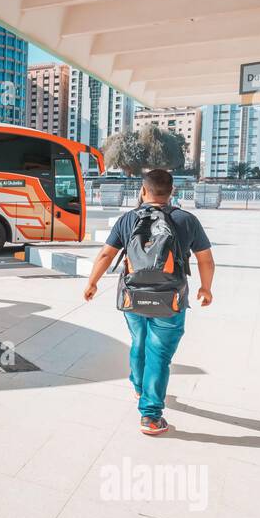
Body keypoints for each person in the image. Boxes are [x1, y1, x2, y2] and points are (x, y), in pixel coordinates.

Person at [83, 169, 215, 436]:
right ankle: (151, 416)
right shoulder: (187, 220)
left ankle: (140, 387)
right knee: (159, 354)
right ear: (172, 192)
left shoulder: (128, 219)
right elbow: (205, 259)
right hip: (170, 300)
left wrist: (92, 282)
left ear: (143, 191)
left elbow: (107, 254)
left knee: (139, 342)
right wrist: (205, 288)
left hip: (133, 297)